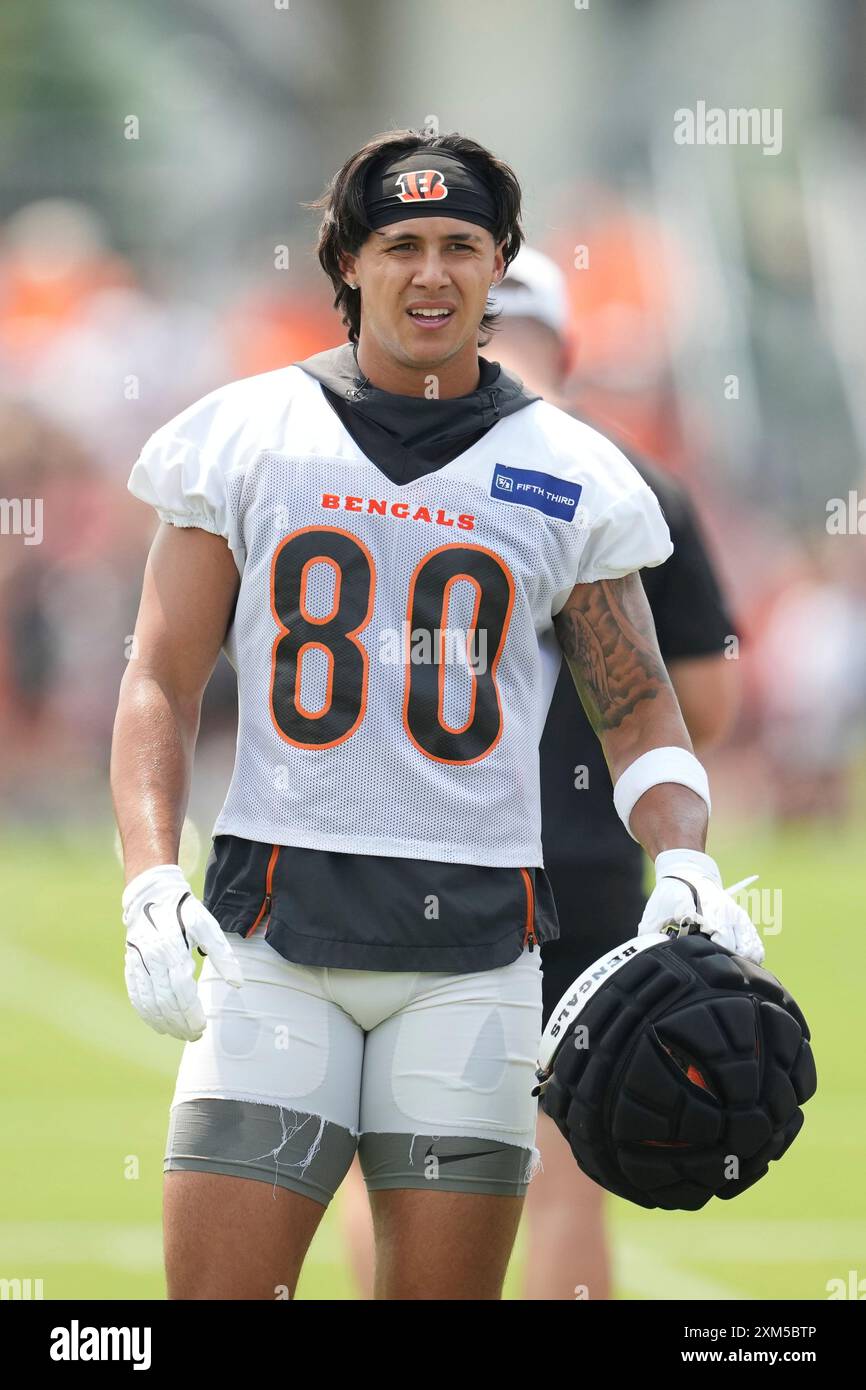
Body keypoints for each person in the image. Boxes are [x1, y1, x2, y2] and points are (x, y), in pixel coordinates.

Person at [111, 129, 762, 1302]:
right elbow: (158, 677)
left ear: (498, 264)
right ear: (347, 263)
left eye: (460, 244)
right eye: (399, 243)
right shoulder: (248, 433)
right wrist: (149, 876)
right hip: (272, 935)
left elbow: (639, 709)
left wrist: (683, 862)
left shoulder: (568, 468)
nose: (430, 271)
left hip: (474, 958)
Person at [338, 245, 741, 1299]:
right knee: (565, 1163)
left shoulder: (382, 461)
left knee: (384, 1159)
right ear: (564, 339)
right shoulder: (631, 477)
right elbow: (703, 705)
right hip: (586, 858)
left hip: (407, 844)